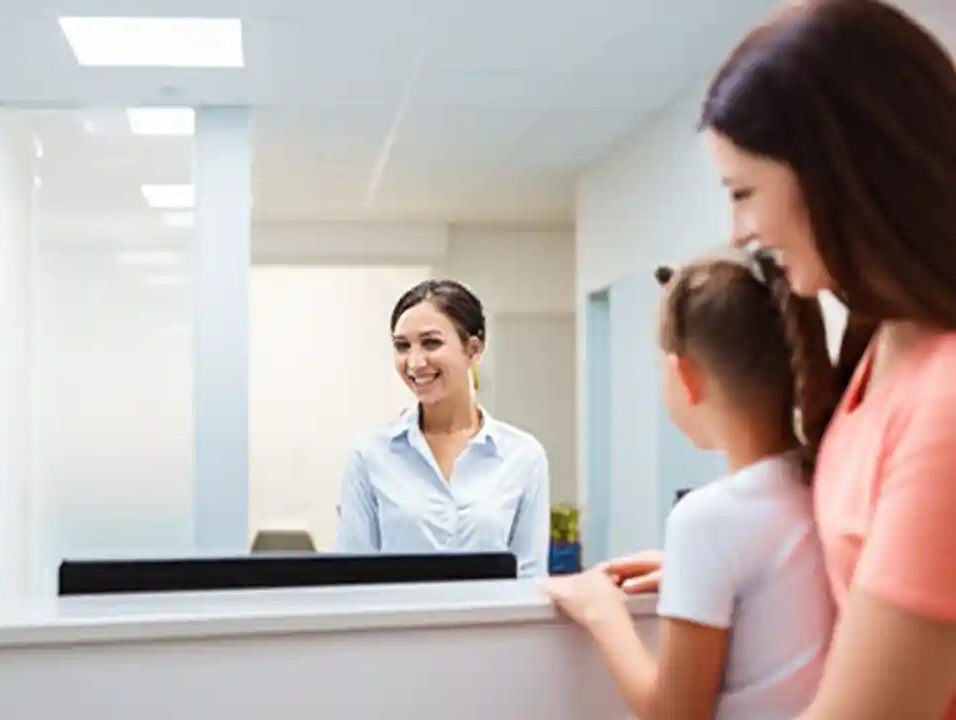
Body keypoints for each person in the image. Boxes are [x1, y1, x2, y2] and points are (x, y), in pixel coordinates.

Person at [602, 2, 956, 717]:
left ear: (835, 175)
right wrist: (723, 577)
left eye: (743, 193)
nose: (741, 232)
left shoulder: (944, 399)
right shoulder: (881, 347)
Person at [546, 251, 836, 719]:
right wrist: (690, 572)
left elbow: (674, 716)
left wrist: (601, 610)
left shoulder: (707, 519)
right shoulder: (828, 480)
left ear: (686, 375)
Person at [335, 279, 550, 578]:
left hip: (490, 624)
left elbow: (531, 577)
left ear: (473, 349)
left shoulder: (523, 456)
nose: (414, 361)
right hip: (399, 624)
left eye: (431, 343)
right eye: (402, 346)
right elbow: (351, 577)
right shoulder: (369, 455)